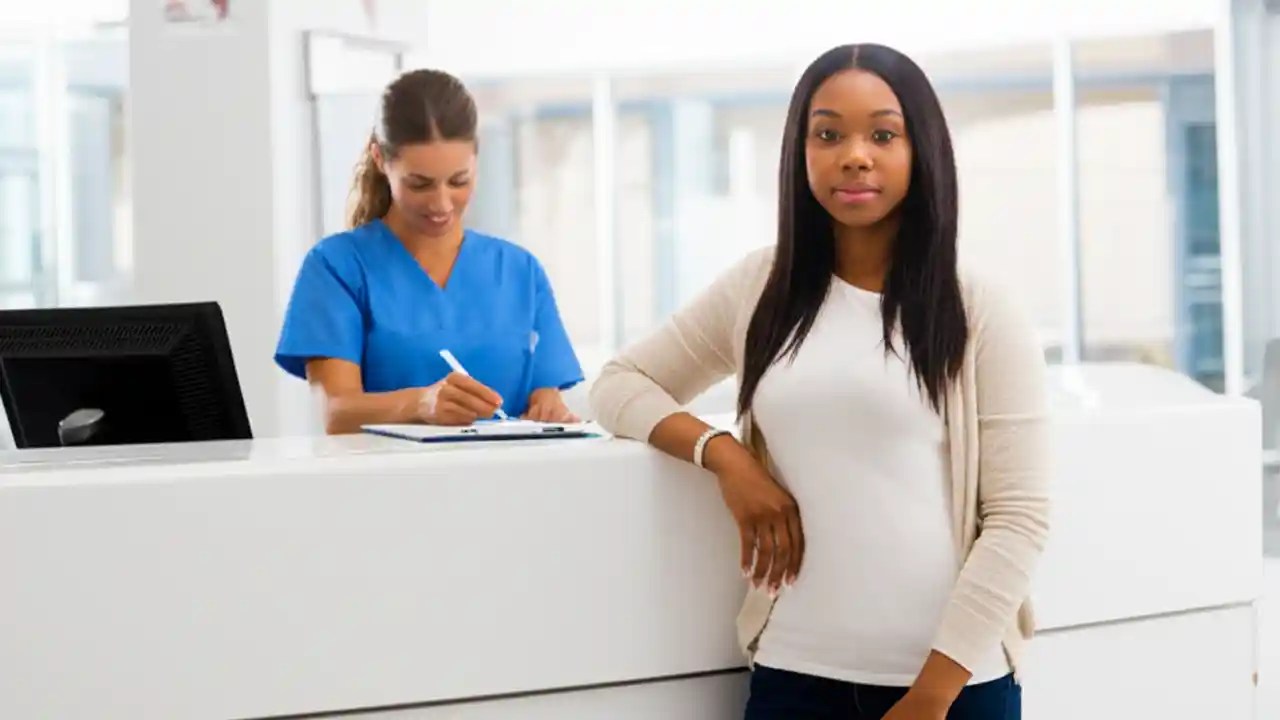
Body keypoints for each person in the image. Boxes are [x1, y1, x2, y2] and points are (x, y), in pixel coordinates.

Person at [589, 43, 1049, 720]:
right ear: (800, 151)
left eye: (882, 135)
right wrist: (726, 457)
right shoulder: (761, 287)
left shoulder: (979, 305)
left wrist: (932, 696)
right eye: (828, 134)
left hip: (952, 689)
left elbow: (1018, 521)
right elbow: (619, 385)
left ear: (921, 150)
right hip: (794, 676)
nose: (854, 155)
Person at [276, 69, 583, 434]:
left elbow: (544, 389)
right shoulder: (337, 267)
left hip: (506, 483)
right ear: (380, 159)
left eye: (459, 181)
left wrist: (548, 403)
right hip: (386, 485)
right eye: (419, 184)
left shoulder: (520, 271)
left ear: (476, 159)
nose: (441, 204)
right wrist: (421, 403)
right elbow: (336, 412)